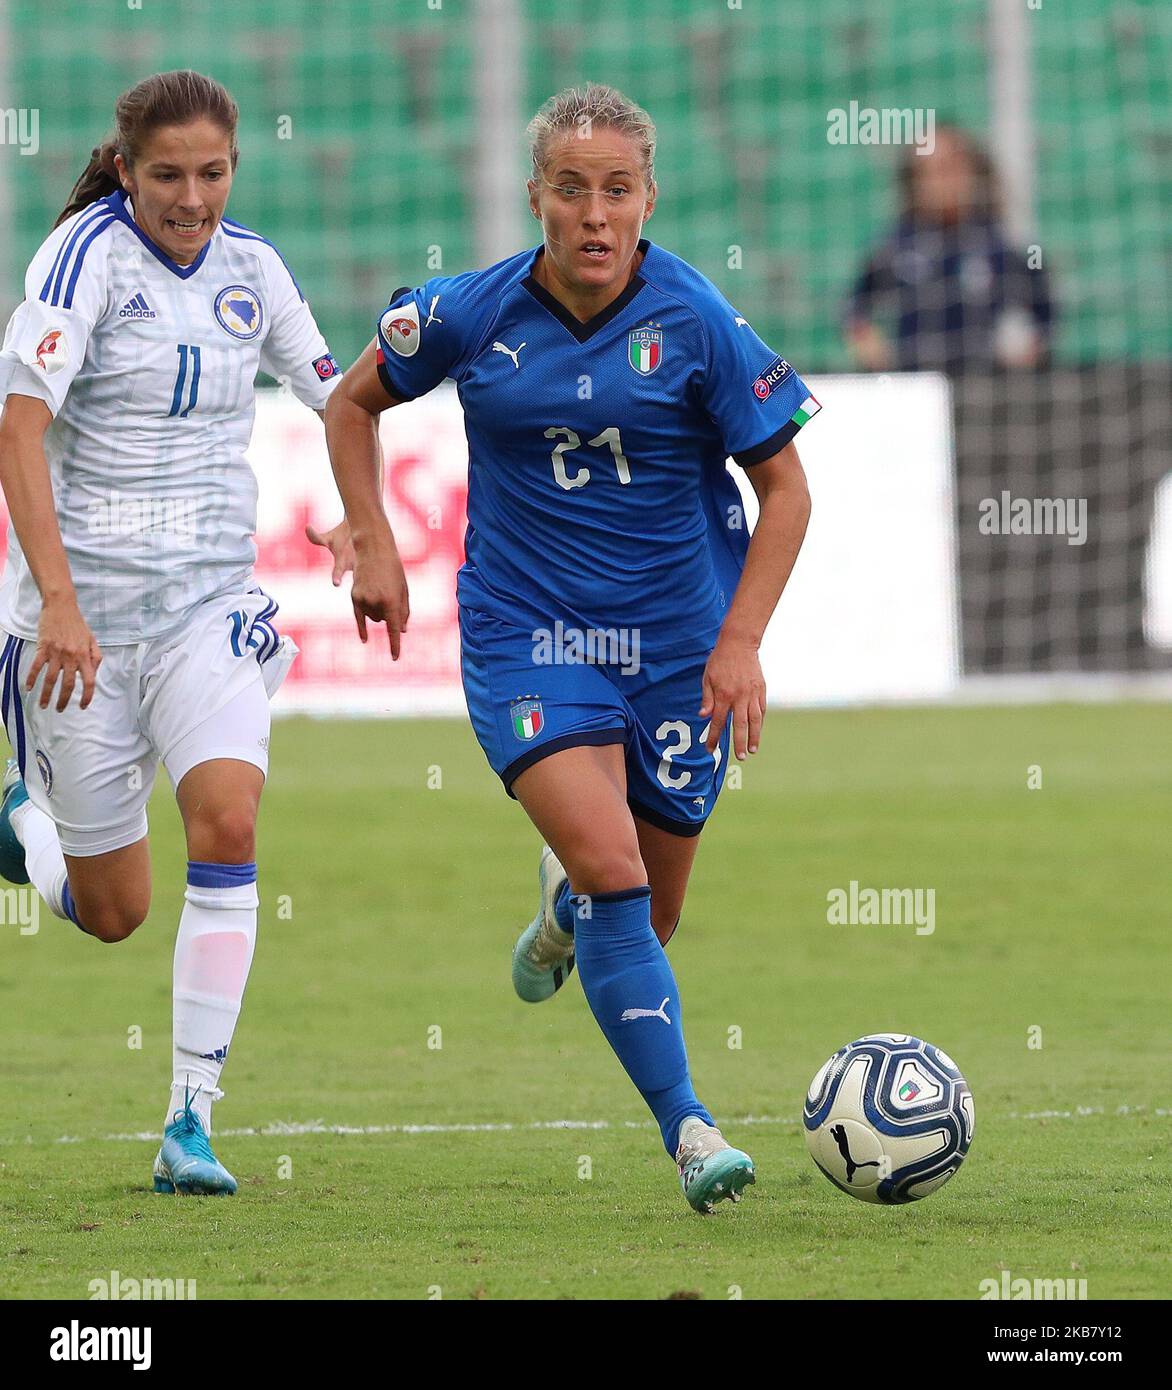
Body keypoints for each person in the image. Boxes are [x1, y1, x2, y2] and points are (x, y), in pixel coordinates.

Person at [325, 83, 818, 1213]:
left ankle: (560, 921)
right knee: (614, 873)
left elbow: (784, 489)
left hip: (677, 650)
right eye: (569, 189)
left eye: (617, 191)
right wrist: (374, 541)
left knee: (645, 912)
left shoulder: (693, 319)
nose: (594, 215)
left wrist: (740, 640)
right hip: (529, 634)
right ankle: (689, 1129)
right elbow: (349, 406)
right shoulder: (469, 310)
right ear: (534, 196)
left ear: (648, 199)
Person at [0, 70, 350, 1195]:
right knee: (114, 912)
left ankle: (189, 1118)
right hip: (77, 631)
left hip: (207, 607)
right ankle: (23, 836)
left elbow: (342, 397)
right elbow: (18, 425)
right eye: (166, 175)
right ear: (126, 167)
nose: (190, 198)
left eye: (210, 174)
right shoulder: (84, 260)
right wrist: (57, 598)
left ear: (233, 168)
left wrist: (368, 520)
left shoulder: (254, 270)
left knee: (229, 817)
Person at [845, 124, 1055, 374]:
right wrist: (872, 348)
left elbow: (1045, 308)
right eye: (928, 171)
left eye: (950, 168)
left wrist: (1028, 352)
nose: (942, 181)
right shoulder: (895, 247)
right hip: (917, 389)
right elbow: (854, 308)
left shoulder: (997, 245)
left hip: (983, 391)